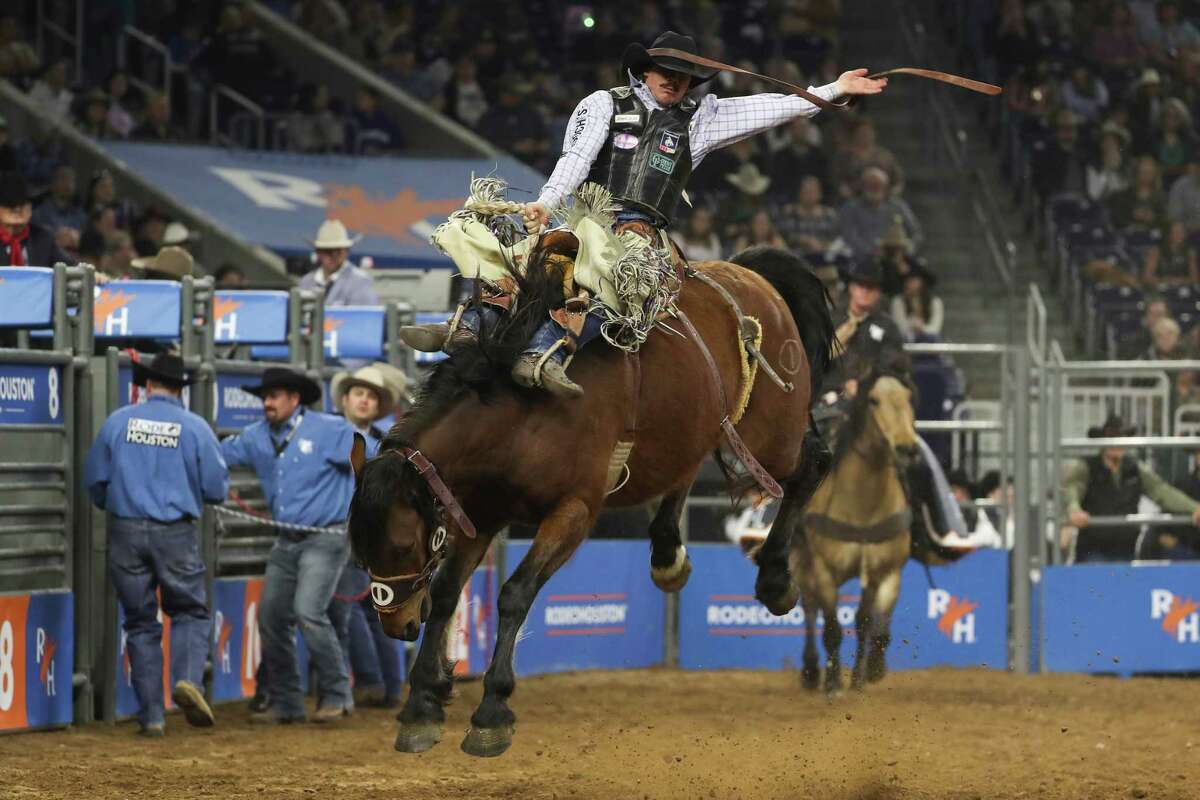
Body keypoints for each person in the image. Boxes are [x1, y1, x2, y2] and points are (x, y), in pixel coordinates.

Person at [400, 31, 887, 397]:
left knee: (627, 283)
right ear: (646, 69)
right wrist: (545, 204)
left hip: (641, 233)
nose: (675, 80)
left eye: (684, 74)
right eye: (666, 70)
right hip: (585, 216)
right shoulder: (603, 104)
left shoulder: (701, 119)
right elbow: (576, 158)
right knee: (507, 247)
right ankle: (469, 327)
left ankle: (548, 350)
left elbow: (778, 107)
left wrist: (833, 89)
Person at [84, 354, 229, 736]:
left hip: (126, 531)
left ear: (147, 386)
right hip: (175, 533)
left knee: (139, 621)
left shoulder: (118, 421)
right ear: (181, 389)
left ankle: (151, 716)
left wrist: (117, 504)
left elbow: (95, 480)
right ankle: (187, 681)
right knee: (188, 611)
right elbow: (217, 487)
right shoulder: (195, 427)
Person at [219, 368, 356, 724]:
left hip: (325, 537)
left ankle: (338, 695)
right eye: (264, 397)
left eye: (274, 395)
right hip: (286, 540)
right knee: (271, 617)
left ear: (294, 399)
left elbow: (373, 459)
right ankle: (287, 701)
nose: (267, 402)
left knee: (308, 613)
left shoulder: (331, 429)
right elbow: (217, 455)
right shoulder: (255, 436)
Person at [328, 364, 404, 708]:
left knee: (351, 609)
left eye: (371, 396)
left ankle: (372, 682)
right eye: (359, 393)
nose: (364, 400)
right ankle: (388, 684)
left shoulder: (367, 444)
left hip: (354, 535)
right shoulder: (382, 444)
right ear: (346, 399)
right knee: (375, 609)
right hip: (367, 535)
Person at [1061, 414, 1200, 563]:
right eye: (1111, 436)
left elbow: (1162, 491)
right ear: (1102, 440)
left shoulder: (1135, 469)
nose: (1117, 442)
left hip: (1125, 550)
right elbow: (1072, 489)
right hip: (1093, 551)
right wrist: (1074, 510)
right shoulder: (1086, 467)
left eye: (1121, 436)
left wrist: (1194, 508)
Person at [298, 219, 380, 305]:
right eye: (328, 251)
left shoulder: (360, 282)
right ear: (318, 252)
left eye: (338, 251)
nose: (334, 256)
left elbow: (364, 317)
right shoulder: (306, 282)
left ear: (346, 252)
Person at [0, 171, 70, 266]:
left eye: (22, 204)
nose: (17, 210)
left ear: (30, 209)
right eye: (10, 204)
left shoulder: (43, 238)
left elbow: (70, 266)